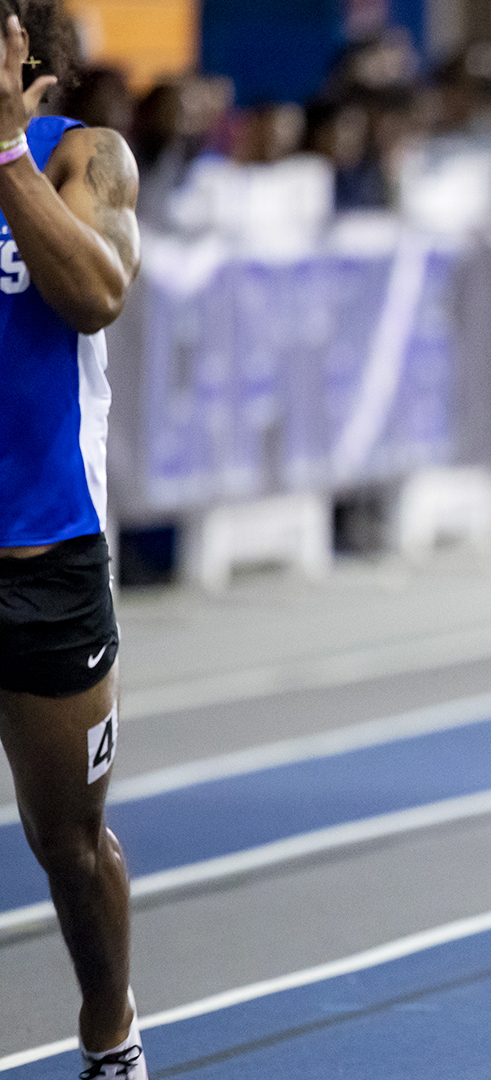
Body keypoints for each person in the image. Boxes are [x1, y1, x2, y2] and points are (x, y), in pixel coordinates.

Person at [0, 3, 146, 1078]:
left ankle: (110, 1034)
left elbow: (97, 295)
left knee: (68, 845)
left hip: (45, 561)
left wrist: (6, 151)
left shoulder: (84, 158)